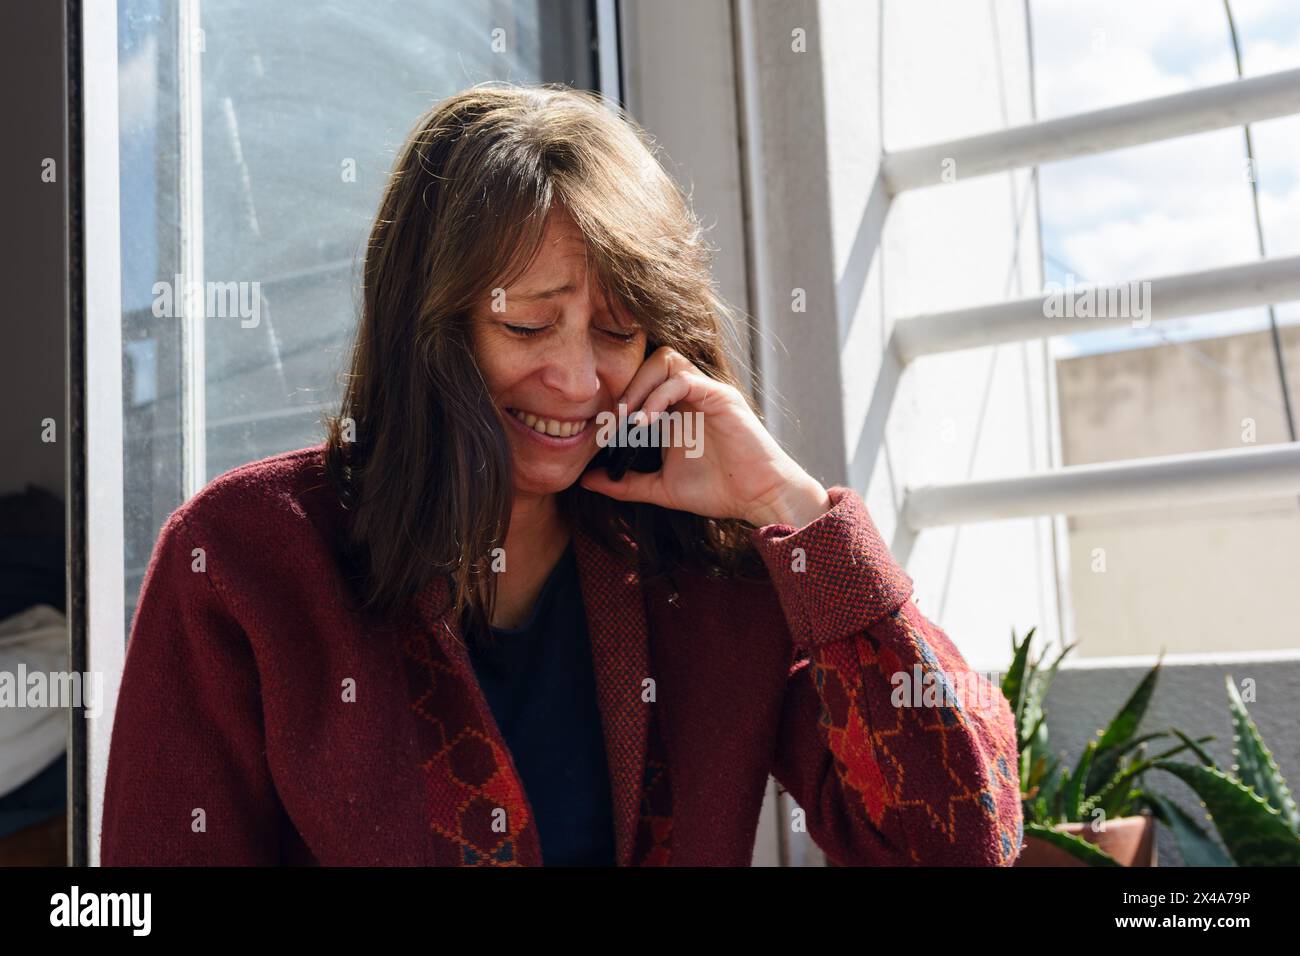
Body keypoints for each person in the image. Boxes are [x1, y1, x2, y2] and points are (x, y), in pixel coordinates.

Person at [100, 83, 1023, 867]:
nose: (579, 381)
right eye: (530, 326)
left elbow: (960, 838)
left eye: (618, 331)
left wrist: (794, 509)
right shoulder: (244, 558)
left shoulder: (716, 570)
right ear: (431, 326)